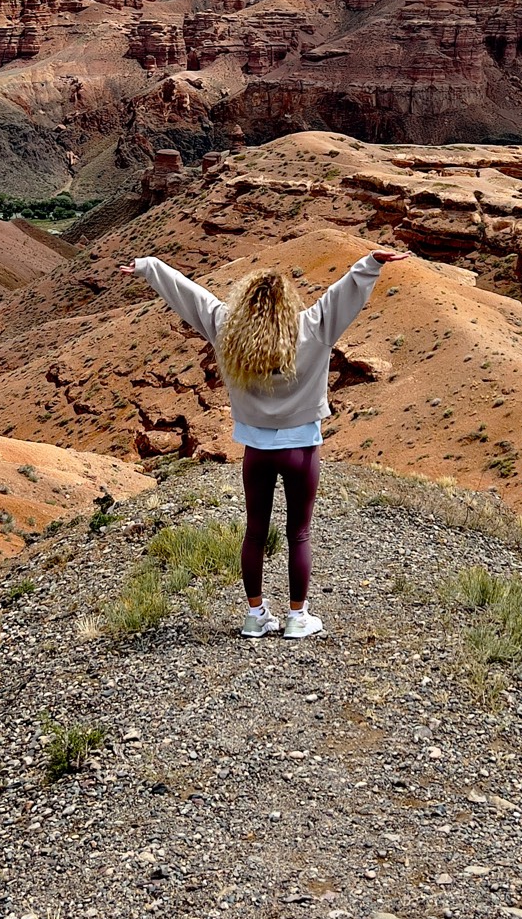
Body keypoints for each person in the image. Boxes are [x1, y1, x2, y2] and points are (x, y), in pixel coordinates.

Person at [119, 246, 407, 638]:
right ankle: (297, 617)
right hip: (301, 448)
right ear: (287, 303)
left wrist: (149, 267)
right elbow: (345, 294)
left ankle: (254, 616)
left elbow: (190, 295)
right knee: (299, 532)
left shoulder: (227, 329)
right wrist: (370, 263)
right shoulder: (312, 327)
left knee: (255, 531)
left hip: (255, 451)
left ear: (245, 304)